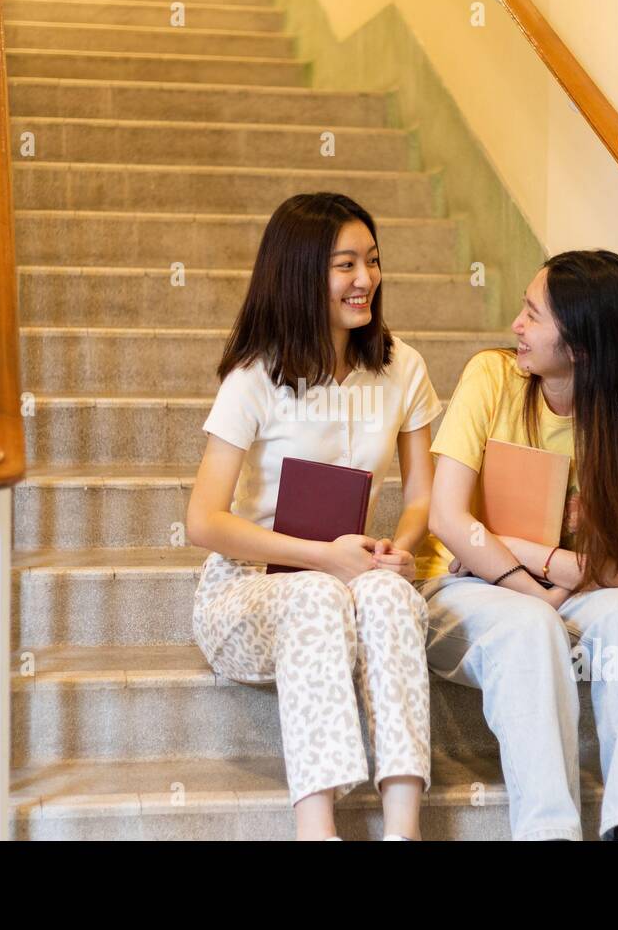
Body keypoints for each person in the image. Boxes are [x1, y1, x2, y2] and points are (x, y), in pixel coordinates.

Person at [415, 249, 618, 840]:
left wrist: (547, 569)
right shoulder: (491, 376)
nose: (516, 325)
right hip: (466, 591)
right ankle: (550, 833)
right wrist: (545, 575)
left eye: (533, 315)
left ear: (581, 347)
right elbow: (447, 518)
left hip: (570, 598)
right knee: (530, 626)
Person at [186, 193, 442, 841]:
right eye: (345, 266)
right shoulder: (255, 376)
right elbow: (203, 521)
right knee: (321, 594)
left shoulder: (401, 367)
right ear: (302, 274)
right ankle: (316, 827)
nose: (366, 281)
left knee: (386, 593)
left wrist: (399, 547)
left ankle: (404, 825)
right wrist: (325, 557)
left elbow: (421, 497)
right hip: (247, 591)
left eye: (373, 262)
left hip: (352, 575)